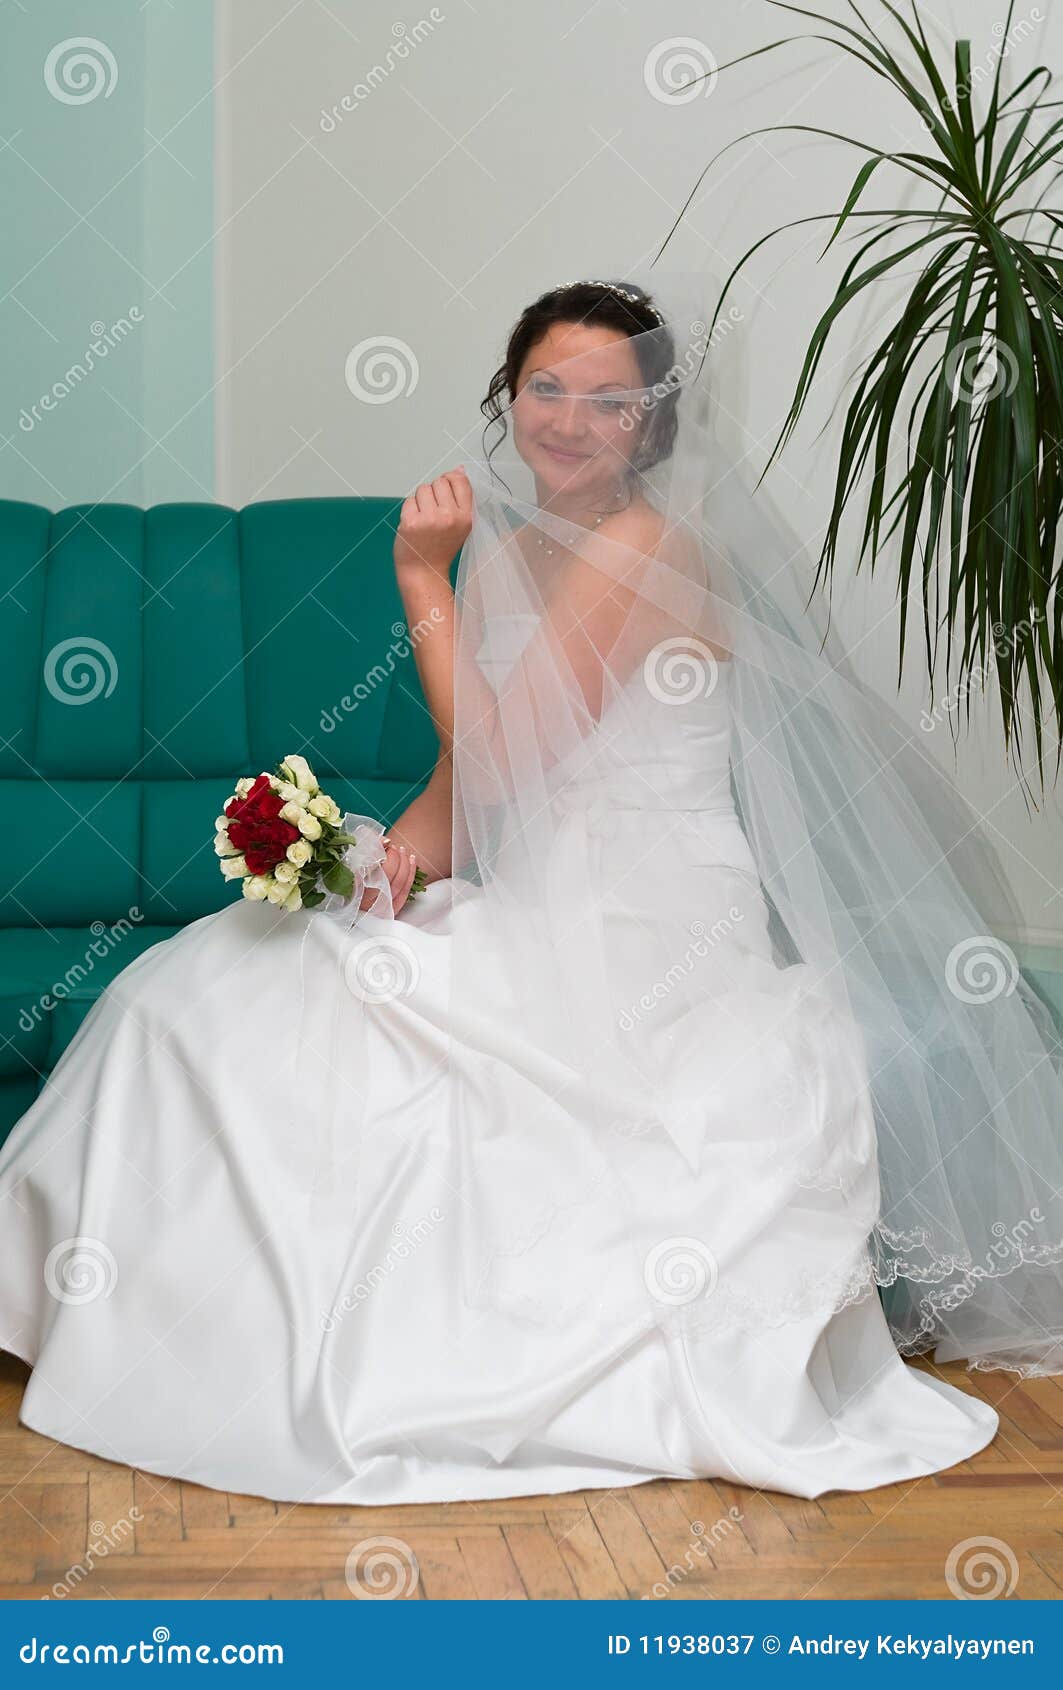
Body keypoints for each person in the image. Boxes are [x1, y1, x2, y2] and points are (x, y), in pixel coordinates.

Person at [2, 273, 1061, 1508]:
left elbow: (512, 751)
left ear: (650, 426)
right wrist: (380, 861)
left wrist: (416, 583)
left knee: (325, 1038)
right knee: (203, 984)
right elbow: (474, 786)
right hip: (540, 896)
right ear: (507, 396)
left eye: (606, 400)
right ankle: (108, 1319)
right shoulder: (513, 555)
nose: (567, 418)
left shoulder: (650, 545)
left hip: (645, 923)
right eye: (544, 387)